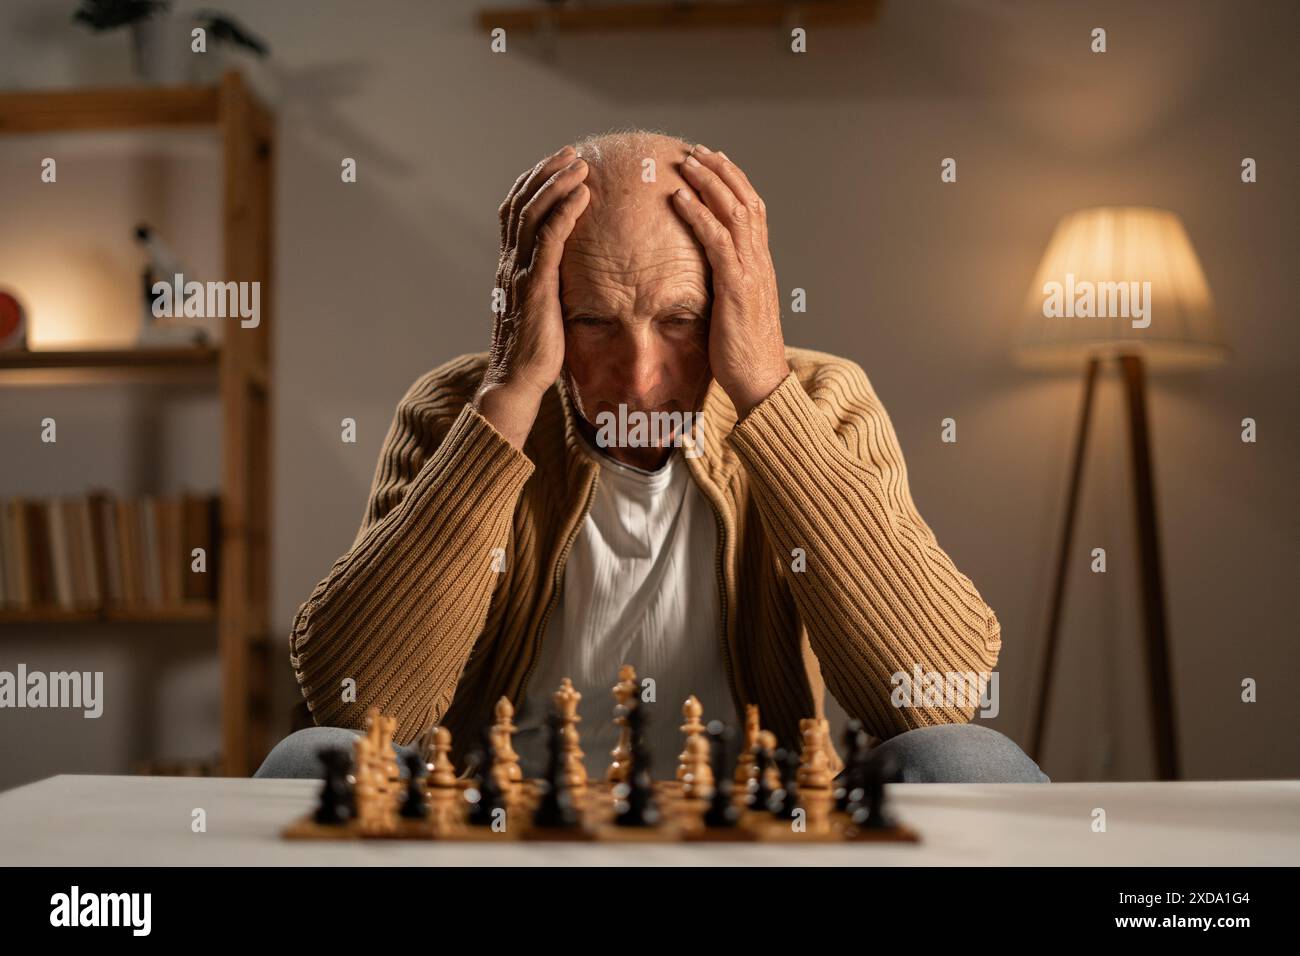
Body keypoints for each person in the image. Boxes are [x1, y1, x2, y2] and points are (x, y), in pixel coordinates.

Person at [256, 130, 1048, 785]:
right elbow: (358, 704)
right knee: (314, 761)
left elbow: (935, 695)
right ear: (536, 309)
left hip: (752, 818)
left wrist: (768, 394)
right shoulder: (454, 408)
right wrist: (505, 401)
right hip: (498, 820)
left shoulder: (822, 397)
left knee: (966, 760)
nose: (639, 378)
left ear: (741, 304)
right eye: (594, 322)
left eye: (680, 319)